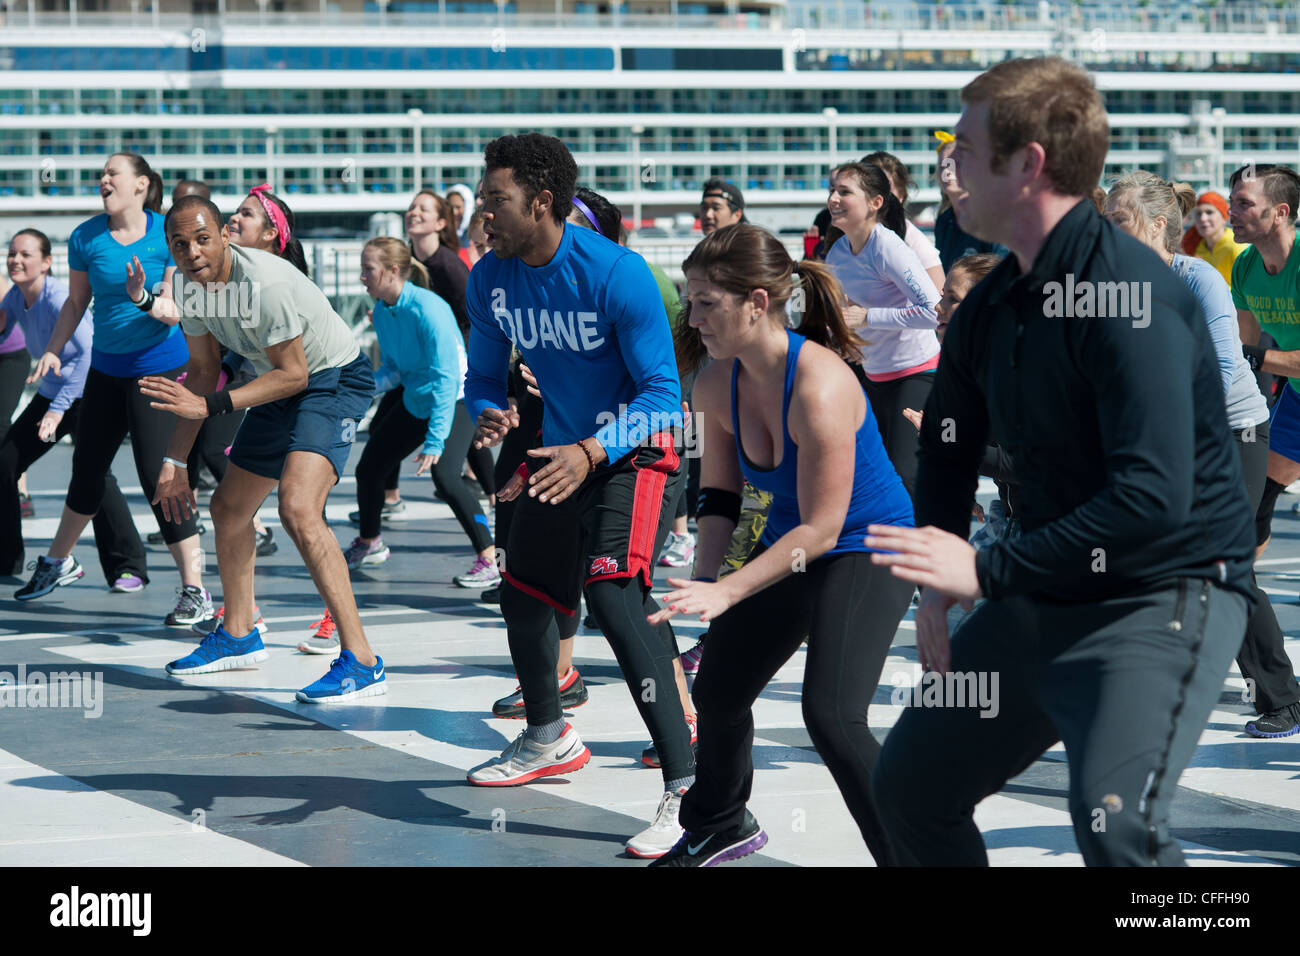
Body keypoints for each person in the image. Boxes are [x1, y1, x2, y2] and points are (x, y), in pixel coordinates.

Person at [867, 56, 1256, 866]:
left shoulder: (1132, 296)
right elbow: (946, 446)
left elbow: (1153, 500)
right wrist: (938, 589)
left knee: (1114, 823)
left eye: (966, 149)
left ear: (1029, 164)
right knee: (909, 786)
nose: (948, 170)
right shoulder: (994, 303)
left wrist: (987, 571)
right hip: (1047, 582)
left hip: (1166, 590)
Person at [647, 223, 915, 867]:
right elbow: (719, 498)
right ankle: (719, 823)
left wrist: (730, 587)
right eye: (691, 300)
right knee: (718, 688)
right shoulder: (714, 383)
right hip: (791, 543)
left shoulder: (820, 384)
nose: (693, 315)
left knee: (832, 716)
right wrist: (704, 589)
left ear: (758, 302)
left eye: (707, 301)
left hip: (868, 545)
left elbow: (824, 529)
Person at [462, 134, 693, 859]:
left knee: (618, 598)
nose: (484, 213)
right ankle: (548, 736)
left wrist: (594, 449)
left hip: (634, 454)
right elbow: (482, 375)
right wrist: (487, 410)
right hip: (558, 453)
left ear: (541, 202)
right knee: (524, 593)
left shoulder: (618, 275)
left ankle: (691, 789)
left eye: (496, 199)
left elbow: (665, 394)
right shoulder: (489, 278)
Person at [145, 195, 385, 702]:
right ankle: (238, 634)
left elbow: (294, 373)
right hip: (278, 381)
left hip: (332, 379)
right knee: (228, 508)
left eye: (203, 238)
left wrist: (208, 410)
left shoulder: (264, 283)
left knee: (298, 508)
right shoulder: (188, 287)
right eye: (179, 243)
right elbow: (205, 374)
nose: (192, 251)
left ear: (225, 236)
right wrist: (174, 462)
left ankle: (362, 660)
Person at [1105, 170, 1300, 739]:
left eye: (1118, 220)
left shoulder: (1198, 280)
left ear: (1157, 225)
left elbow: (1221, 367)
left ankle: (1283, 696)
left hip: (1231, 433)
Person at [16, 153, 209, 626]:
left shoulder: (167, 233)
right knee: (86, 470)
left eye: (112, 174)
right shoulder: (85, 237)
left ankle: (195, 590)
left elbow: (171, 310)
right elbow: (77, 302)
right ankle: (58, 562)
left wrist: (143, 297)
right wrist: (55, 348)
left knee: (159, 477)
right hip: (105, 370)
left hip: (159, 371)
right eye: (102, 174)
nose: (103, 180)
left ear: (141, 185)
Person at [347, 237, 497, 589]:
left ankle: (490, 557)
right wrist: (363, 385)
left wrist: (434, 440)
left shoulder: (429, 309)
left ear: (393, 271)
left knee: (446, 476)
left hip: (458, 397)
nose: (362, 278)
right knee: (370, 468)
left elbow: (447, 378)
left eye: (368, 269)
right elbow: (397, 369)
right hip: (418, 397)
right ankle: (370, 543)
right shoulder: (384, 312)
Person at [0, 229, 147, 587]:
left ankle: (128, 567)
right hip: (54, 392)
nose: (16, 260)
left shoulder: (57, 298)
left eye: (26, 254)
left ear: (47, 263)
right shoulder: (17, 298)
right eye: (12, 254)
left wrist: (57, 410)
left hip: (87, 392)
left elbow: (87, 354)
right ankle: (6, 559)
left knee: (95, 475)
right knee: (5, 462)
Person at [824, 161, 941, 501]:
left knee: (907, 476)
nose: (833, 198)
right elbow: (843, 314)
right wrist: (839, 339)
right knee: (878, 477)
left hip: (916, 373)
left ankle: (932, 548)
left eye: (844, 192)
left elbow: (933, 312)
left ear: (876, 202)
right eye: (832, 190)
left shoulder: (887, 246)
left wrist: (869, 318)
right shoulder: (838, 252)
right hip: (873, 375)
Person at [404, 188, 498, 525]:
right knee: (474, 440)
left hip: (458, 366)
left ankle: (492, 511)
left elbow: (474, 315)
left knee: (465, 449)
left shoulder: (446, 264)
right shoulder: (412, 263)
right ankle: (384, 502)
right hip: (428, 368)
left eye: (423, 209)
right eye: (411, 207)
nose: (413, 212)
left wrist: (469, 362)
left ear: (442, 222)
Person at [1232, 165, 1300, 561]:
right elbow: (1246, 347)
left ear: (1280, 212)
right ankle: (1242, 599)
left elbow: (1251, 355)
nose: (1231, 212)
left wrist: (1251, 357)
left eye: (1244, 203)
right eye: (1231, 202)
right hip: (1296, 399)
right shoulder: (1245, 268)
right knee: (1256, 501)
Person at [861, 150, 946, 291]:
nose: (876, 196)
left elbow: (939, 306)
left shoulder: (916, 244)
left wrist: (870, 314)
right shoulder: (846, 239)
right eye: (867, 187)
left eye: (885, 188)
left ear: (901, 196)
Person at [931, 133, 1008, 273]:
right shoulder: (944, 221)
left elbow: (1005, 271)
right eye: (944, 165)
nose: (948, 172)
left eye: (956, 164)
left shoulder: (991, 218)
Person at [1182, 190, 1249, 288]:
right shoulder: (1196, 247)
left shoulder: (1236, 246)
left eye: (1209, 212)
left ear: (1224, 217)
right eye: (1198, 213)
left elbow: (1246, 288)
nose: (1203, 218)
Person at [446, 183, 476, 249]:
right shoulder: (442, 234)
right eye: (450, 207)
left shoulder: (475, 235)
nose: (454, 212)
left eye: (458, 207)